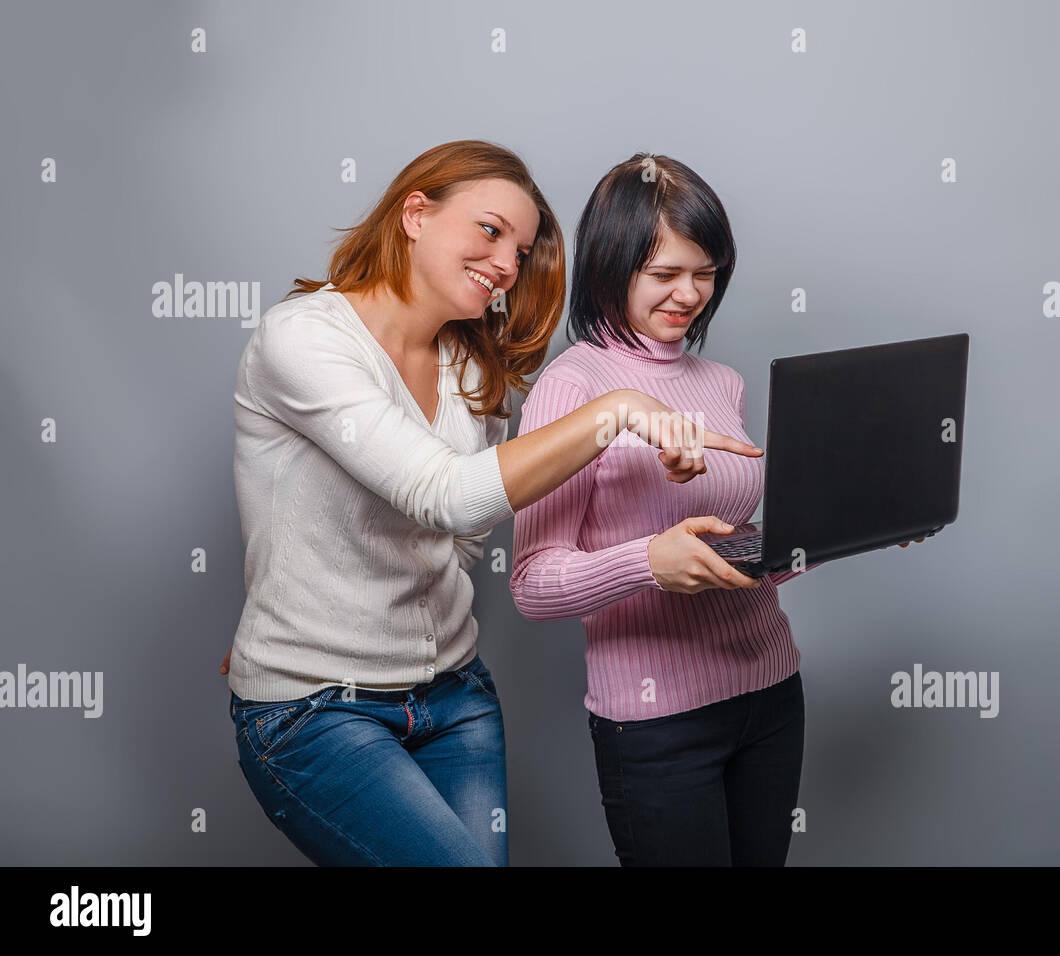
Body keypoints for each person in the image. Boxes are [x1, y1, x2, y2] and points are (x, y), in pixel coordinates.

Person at [220, 140, 762, 866]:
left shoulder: (469, 364)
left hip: (455, 697)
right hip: (317, 708)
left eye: (522, 246)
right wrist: (619, 410)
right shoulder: (305, 338)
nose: (508, 262)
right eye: (490, 230)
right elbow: (446, 497)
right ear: (415, 213)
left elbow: (466, 542)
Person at [509, 153, 924, 866]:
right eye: (665, 275)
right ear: (612, 267)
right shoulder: (572, 388)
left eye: (706, 273)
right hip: (657, 722)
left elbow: (734, 554)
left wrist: (846, 527)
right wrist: (649, 561)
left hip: (770, 692)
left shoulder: (720, 382)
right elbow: (532, 584)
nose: (690, 295)